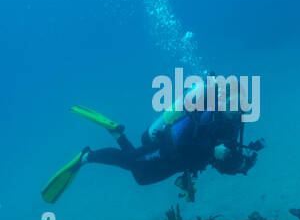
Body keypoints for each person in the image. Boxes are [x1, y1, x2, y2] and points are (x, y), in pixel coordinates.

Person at [41, 85, 262, 204]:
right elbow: (186, 143)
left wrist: (242, 164)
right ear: (224, 101)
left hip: (178, 163)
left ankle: (117, 133)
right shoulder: (206, 116)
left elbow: (221, 161)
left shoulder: (232, 127)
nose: (239, 112)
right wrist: (212, 150)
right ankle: (86, 157)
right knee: (130, 162)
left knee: (141, 177)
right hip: (168, 147)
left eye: (243, 108)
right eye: (235, 105)